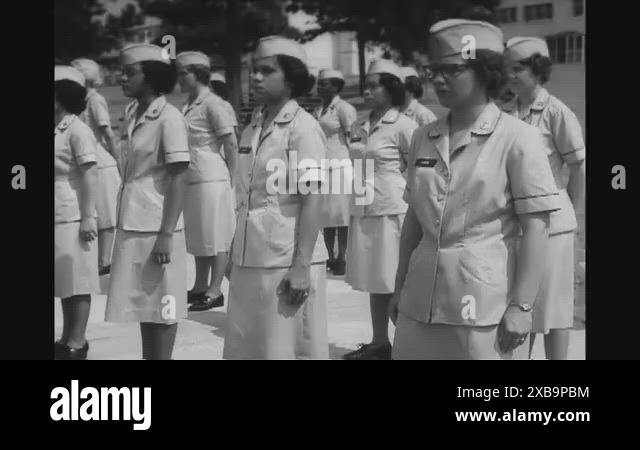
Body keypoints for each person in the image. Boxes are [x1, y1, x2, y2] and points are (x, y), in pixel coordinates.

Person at [389, 19, 561, 360]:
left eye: (451, 70)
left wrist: (522, 307)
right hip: (419, 301)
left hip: (482, 307)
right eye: (433, 69)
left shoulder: (517, 138)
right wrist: (400, 286)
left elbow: (537, 228)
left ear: (485, 71)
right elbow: (413, 222)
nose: (437, 79)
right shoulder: (424, 136)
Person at [223, 36, 329, 360]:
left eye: (266, 70)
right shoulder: (252, 127)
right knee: (248, 348)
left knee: (283, 350)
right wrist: (233, 250)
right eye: (254, 70)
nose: (255, 77)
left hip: (285, 260)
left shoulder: (303, 128)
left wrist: (301, 266)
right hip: (249, 257)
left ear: (291, 77)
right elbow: (247, 196)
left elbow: (313, 198)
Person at [105, 44, 191, 360]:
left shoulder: (169, 117)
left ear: (151, 76)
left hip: (157, 226)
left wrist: (166, 235)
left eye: (130, 73)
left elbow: (180, 176)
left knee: (164, 305)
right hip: (134, 221)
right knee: (146, 303)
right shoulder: (132, 113)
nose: (121, 79)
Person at [503, 37, 586, 360]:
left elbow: (578, 166)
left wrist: (574, 216)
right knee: (523, 304)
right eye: (507, 68)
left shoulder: (556, 112)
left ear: (538, 69)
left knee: (553, 310)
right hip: (517, 222)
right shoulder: (506, 113)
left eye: (518, 67)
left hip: (553, 225)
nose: (511, 74)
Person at [342, 59, 418, 360]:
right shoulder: (360, 124)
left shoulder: (404, 126)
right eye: (366, 85)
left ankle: (406, 345)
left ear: (392, 88)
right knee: (376, 280)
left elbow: (420, 170)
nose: (367, 90)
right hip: (364, 206)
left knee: (396, 279)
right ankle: (379, 342)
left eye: (374, 85)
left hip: (392, 210)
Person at [176, 51, 238, 311]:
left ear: (197, 74)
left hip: (212, 177)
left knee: (217, 234)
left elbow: (230, 143)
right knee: (200, 234)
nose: (179, 79)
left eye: (183, 73)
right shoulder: (188, 104)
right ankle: (200, 285)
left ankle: (215, 289)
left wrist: (232, 182)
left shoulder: (214, 104)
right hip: (193, 177)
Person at [54, 66, 100, 359]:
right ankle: (66, 335)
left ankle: (78, 340)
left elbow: (89, 175)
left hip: (73, 213)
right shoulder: (57, 127)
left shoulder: (78, 130)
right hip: (58, 212)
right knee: (64, 279)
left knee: (78, 281)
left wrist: (88, 216)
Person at [71, 58, 122, 276]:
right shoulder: (80, 100)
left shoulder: (95, 99)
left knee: (105, 214)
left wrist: (119, 161)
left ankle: (105, 260)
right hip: (88, 159)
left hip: (100, 162)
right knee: (96, 211)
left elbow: (108, 133)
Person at [315, 69, 357, 275]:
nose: (320, 87)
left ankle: (343, 257)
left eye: (325, 83)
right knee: (326, 215)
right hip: (324, 167)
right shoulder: (319, 110)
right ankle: (329, 257)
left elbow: (352, 139)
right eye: (319, 83)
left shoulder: (344, 108)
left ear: (336, 86)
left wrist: (358, 168)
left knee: (342, 215)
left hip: (341, 166)